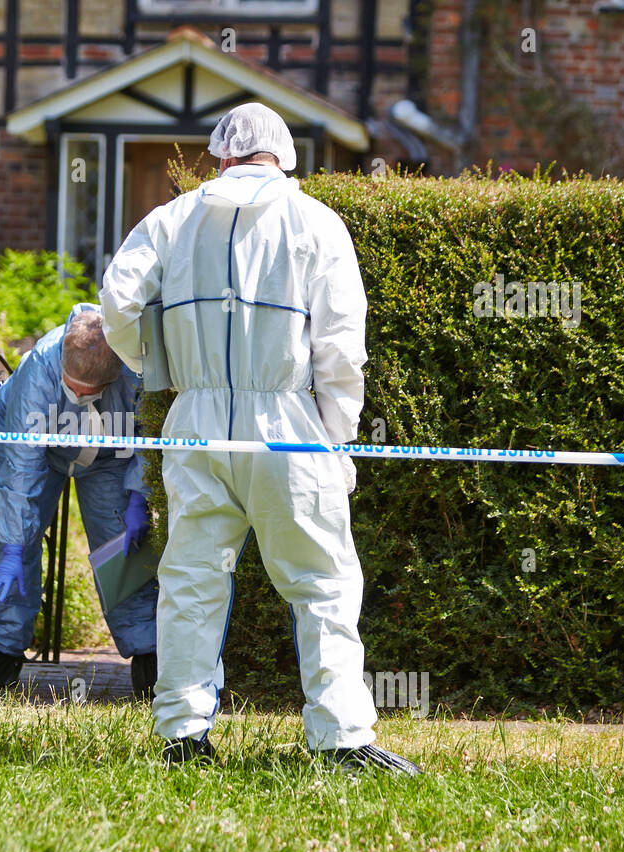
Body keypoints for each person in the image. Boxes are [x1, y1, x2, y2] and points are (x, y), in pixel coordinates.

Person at [99, 102, 420, 774]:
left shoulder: (171, 218)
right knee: (322, 581)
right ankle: (341, 739)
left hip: (195, 422)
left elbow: (118, 303)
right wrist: (339, 438)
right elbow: (340, 348)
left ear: (220, 156)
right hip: (289, 423)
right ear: (283, 154)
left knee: (191, 581)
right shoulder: (316, 222)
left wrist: (155, 366)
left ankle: (183, 737)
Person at [0, 305, 159, 698]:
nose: (78, 396)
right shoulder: (39, 369)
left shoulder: (135, 365)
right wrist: (15, 546)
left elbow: (149, 435)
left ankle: (148, 649)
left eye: (88, 392)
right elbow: (19, 469)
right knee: (8, 539)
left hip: (108, 457)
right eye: (72, 388)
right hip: (41, 450)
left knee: (123, 543)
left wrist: (138, 495)